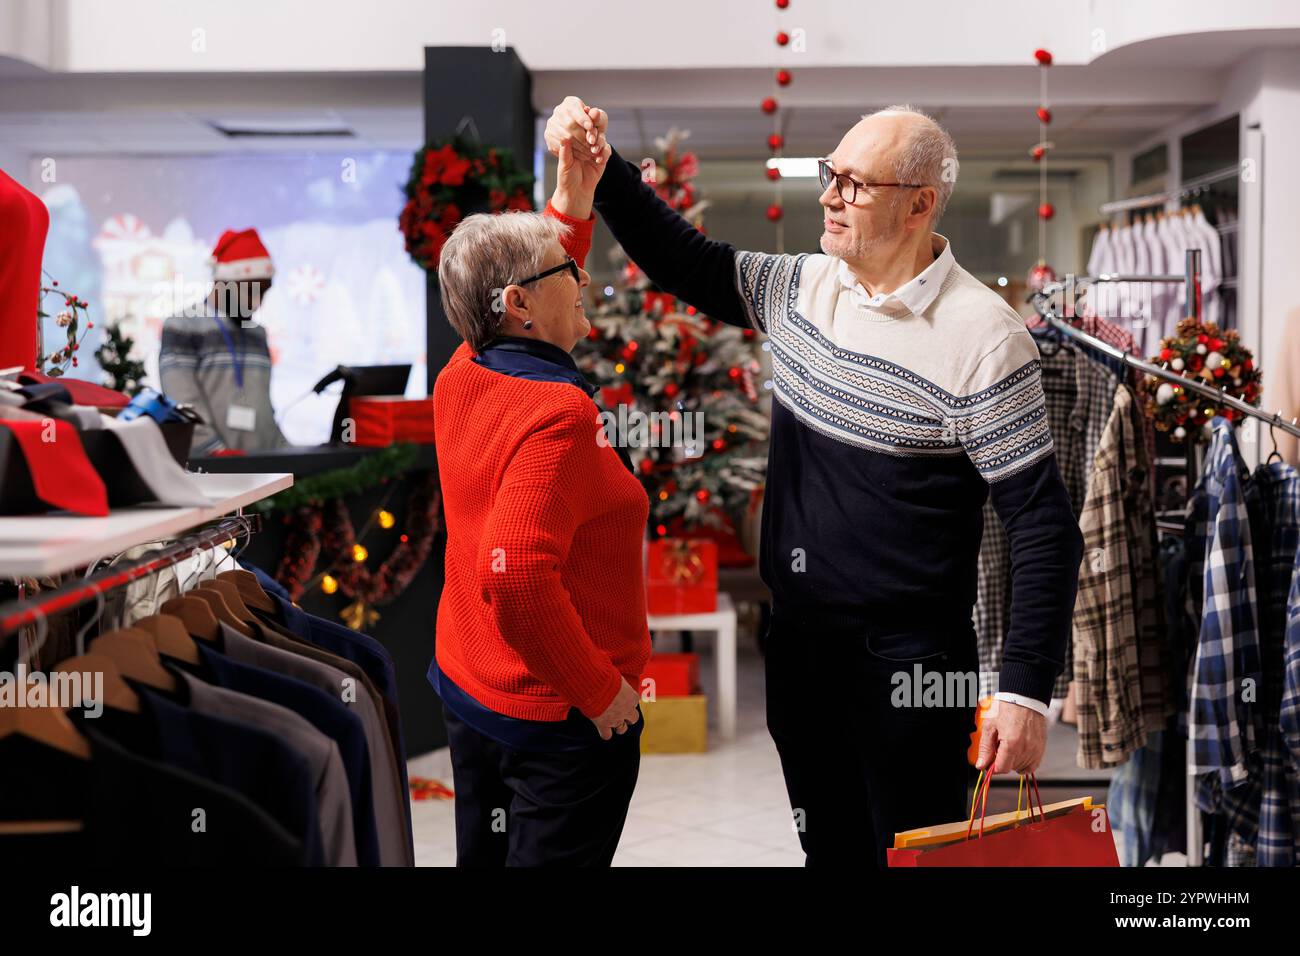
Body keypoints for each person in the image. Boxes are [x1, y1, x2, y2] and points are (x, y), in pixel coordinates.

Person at [546, 98, 1085, 866]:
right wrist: (603, 175)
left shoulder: (984, 338)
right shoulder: (805, 287)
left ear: (921, 204)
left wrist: (1026, 691)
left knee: (911, 858)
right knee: (827, 853)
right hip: (801, 648)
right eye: (830, 174)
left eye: (855, 184)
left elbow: (1042, 525)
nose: (829, 194)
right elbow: (688, 260)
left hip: (911, 668)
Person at [429, 137, 647, 866]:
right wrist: (597, 691)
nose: (584, 274)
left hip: (474, 690)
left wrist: (574, 190)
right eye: (571, 270)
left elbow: (537, 269)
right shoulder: (556, 414)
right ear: (519, 305)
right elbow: (517, 576)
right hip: (558, 721)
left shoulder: (463, 369)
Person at [159, 227, 288, 455]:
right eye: (250, 290)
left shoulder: (257, 333)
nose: (257, 302)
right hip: (211, 474)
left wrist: (287, 455)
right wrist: (214, 452)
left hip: (263, 469)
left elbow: (263, 408)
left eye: (263, 291)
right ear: (223, 281)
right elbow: (182, 402)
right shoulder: (183, 326)